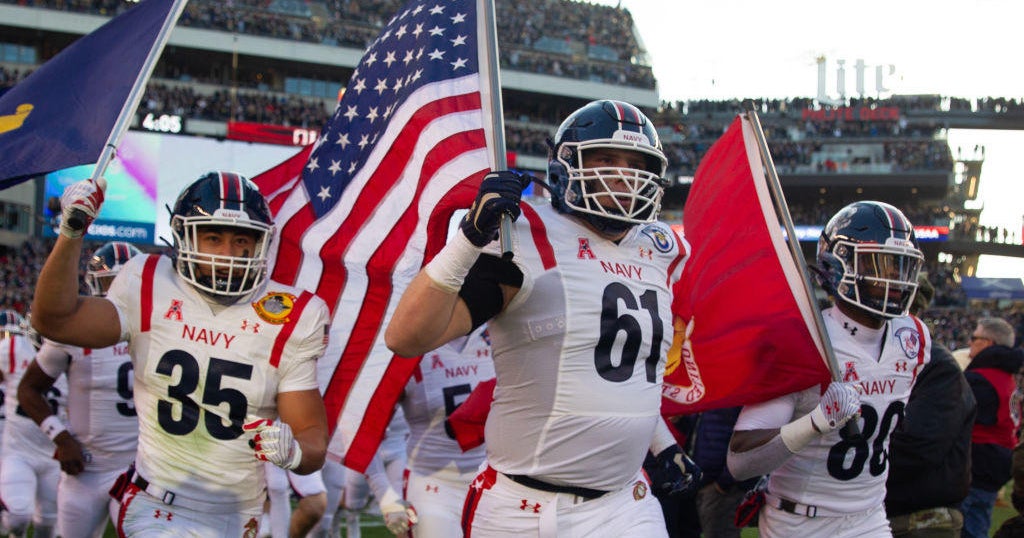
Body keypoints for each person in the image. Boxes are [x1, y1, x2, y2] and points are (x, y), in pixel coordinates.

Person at [385, 99, 699, 537]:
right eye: (605, 159)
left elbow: (624, 376)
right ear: (564, 166)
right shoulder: (526, 234)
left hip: (625, 502)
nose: (623, 174)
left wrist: (662, 445)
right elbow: (405, 336)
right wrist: (471, 237)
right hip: (523, 509)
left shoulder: (662, 248)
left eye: (636, 162)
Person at [31, 172, 331, 536]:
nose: (229, 254)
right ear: (185, 235)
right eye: (213, 238)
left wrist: (295, 452)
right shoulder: (149, 280)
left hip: (239, 514)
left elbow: (312, 436)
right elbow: (54, 320)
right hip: (156, 505)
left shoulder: (290, 313)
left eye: (242, 240)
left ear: (260, 244)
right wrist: (72, 231)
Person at [727, 200, 929, 538]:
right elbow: (740, 463)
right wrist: (814, 423)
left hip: (871, 515)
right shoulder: (806, 340)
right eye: (878, 264)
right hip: (801, 521)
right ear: (839, 266)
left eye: (899, 266)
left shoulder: (915, 337)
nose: (893, 277)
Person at [17, 241, 141, 538]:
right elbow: (29, 390)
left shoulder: (156, 326)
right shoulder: (75, 330)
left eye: (126, 284)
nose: (118, 293)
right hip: (86, 467)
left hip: (141, 469)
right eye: (111, 283)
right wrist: (59, 437)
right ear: (95, 284)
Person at [885, 273, 977, 537]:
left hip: (919, 520)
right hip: (887, 513)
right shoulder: (886, 359)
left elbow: (917, 447)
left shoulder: (936, 366)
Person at [399, 324, 493, 537]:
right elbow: (369, 429)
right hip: (433, 482)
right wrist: (386, 495)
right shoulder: (408, 343)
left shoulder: (499, 334)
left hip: (493, 481)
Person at [0, 309, 64, 538]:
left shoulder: (76, 354)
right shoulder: (14, 349)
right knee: (18, 515)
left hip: (54, 455)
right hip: (18, 450)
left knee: (48, 525)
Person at [961, 317, 1024, 538]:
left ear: (987, 343)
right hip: (996, 467)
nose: (970, 342)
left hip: (973, 467)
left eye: (974, 338)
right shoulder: (1008, 378)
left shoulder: (979, 379)